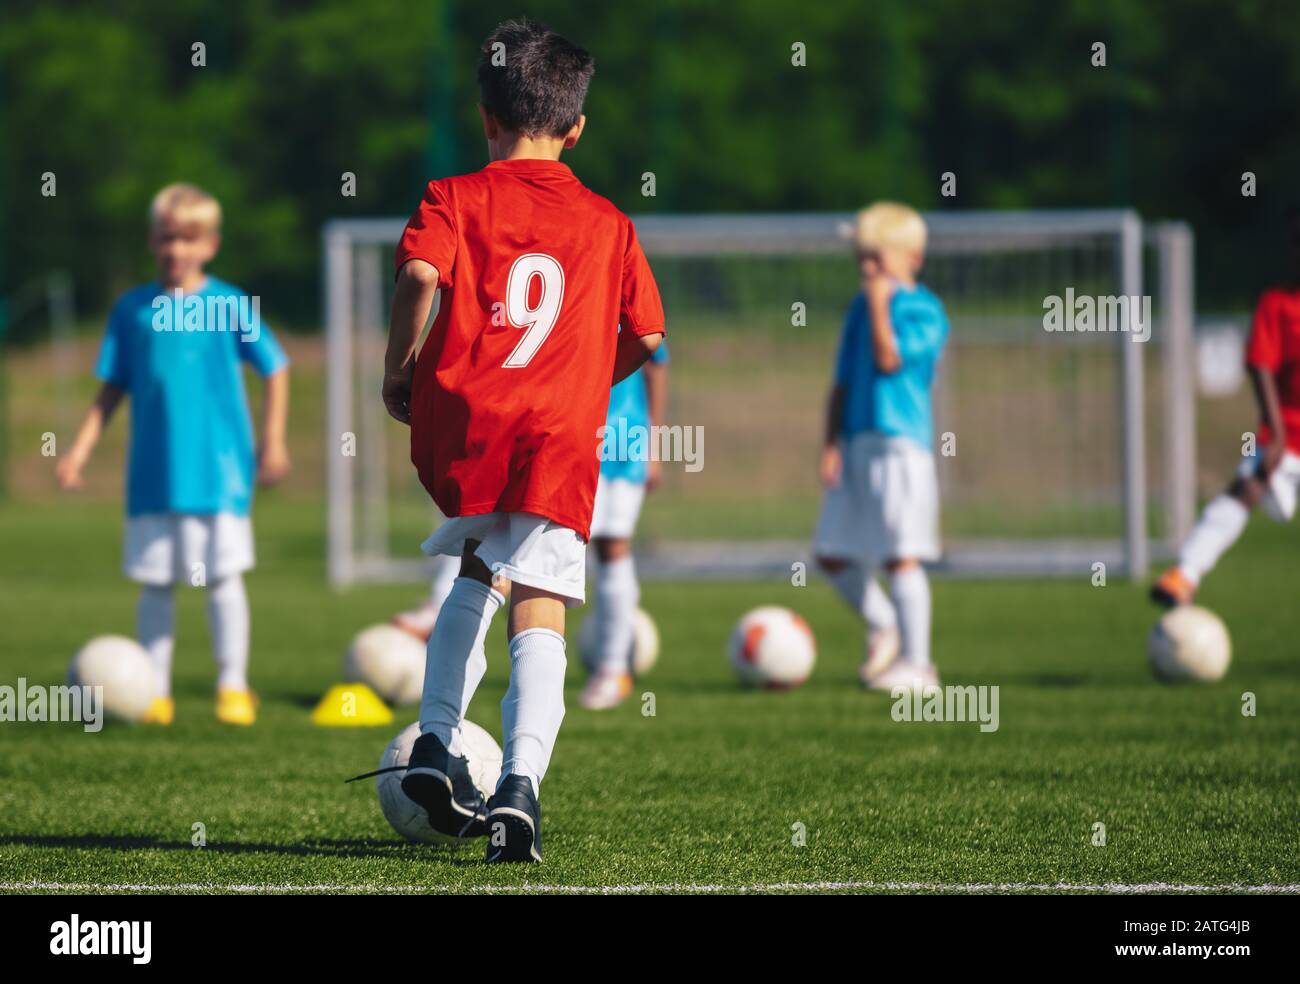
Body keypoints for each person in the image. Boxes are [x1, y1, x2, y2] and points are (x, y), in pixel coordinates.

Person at [382, 19, 665, 862]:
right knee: (539, 605)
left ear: (483, 116)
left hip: (477, 426)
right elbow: (649, 338)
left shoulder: (453, 196)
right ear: (576, 129)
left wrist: (398, 370)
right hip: (558, 440)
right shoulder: (608, 222)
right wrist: (583, 382)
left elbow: (420, 275)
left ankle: (435, 742)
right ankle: (519, 788)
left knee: (477, 574)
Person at [56, 183, 291, 725]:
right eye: (166, 238)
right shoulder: (132, 310)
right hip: (153, 476)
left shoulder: (231, 304)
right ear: (151, 240)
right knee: (156, 581)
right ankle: (153, 691)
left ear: (210, 243)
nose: (175, 250)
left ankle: (232, 686)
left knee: (224, 579)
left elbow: (275, 367)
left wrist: (272, 440)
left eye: (188, 239)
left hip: (221, 475)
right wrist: (79, 449)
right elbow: (111, 387)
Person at [812, 202, 949, 691]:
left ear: (911, 256)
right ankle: (885, 623)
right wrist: (832, 444)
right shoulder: (857, 308)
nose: (867, 270)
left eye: (877, 259)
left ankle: (919, 665)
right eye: (861, 259)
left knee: (900, 556)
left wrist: (877, 302)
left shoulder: (924, 310)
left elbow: (890, 360)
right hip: (856, 444)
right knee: (829, 553)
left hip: (899, 447)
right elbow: (843, 382)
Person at [1152, 208, 1300, 607]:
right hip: (1286, 437)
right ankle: (1183, 575)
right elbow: (1260, 364)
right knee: (1248, 485)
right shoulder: (1278, 304)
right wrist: (1276, 433)